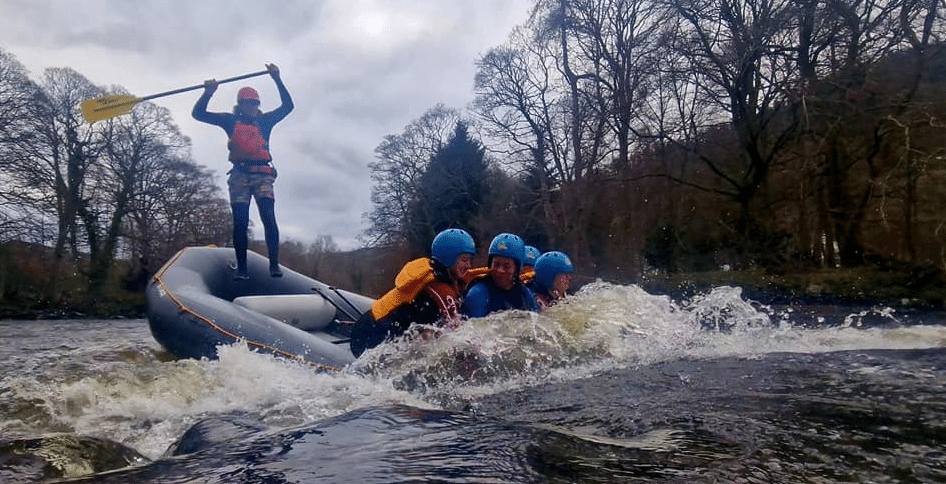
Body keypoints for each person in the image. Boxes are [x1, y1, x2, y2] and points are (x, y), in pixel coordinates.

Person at [192, 63, 294, 280]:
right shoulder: (229, 120)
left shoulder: (265, 121)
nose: (252, 107)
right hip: (239, 175)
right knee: (240, 220)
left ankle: (274, 265)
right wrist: (207, 93)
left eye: (255, 103)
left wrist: (277, 78)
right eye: (248, 104)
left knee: (268, 215)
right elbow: (198, 114)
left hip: (263, 174)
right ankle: (242, 269)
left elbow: (288, 106)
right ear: (240, 105)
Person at [349, 229, 476, 357]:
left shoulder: (437, 276)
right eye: (464, 260)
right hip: (368, 338)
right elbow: (455, 333)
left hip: (367, 328)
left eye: (470, 260)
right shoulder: (440, 290)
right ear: (449, 258)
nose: (469, 265)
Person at [461, 233, 539, 318]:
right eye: (496, 264)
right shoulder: (477, 293)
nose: (500, 270)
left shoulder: (525, 295)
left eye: (506, 266)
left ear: (516, 269)